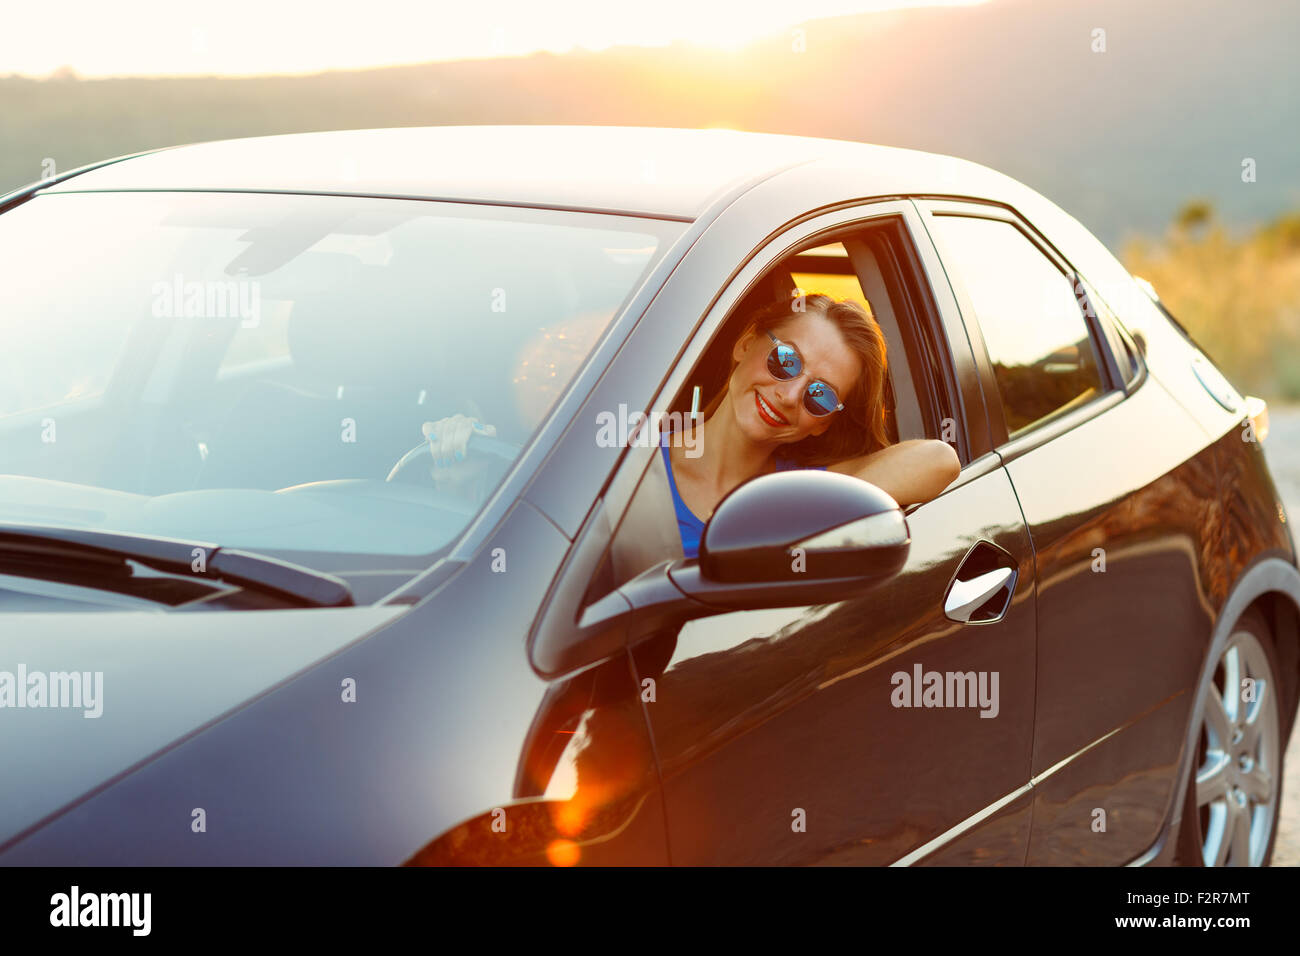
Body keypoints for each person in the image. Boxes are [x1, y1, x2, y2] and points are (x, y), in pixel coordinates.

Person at [422, 292, 961, 557]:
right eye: (786, 361)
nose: (792, 393)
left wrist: (793, 511)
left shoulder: (808, 489)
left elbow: (939, 459)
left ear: (822, 423)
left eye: (820, 396)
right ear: (746, 346)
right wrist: (464, 485)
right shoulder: (620, 459)